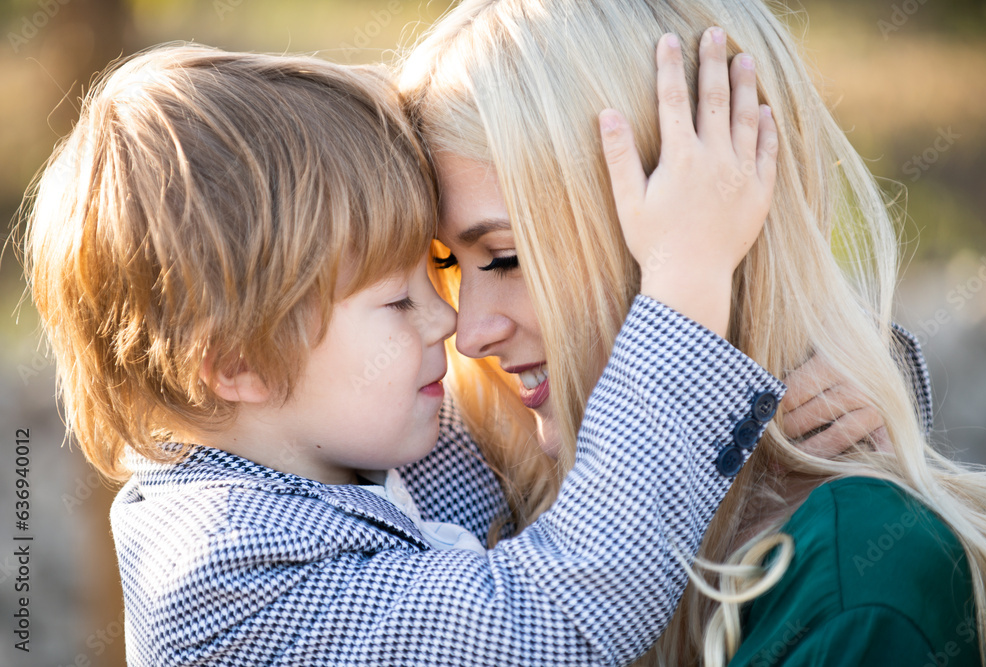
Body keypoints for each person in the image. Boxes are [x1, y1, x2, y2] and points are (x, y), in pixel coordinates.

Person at [22, 43, 788, 665]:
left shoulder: (347, 443)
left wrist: (796, 402)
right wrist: (686, 277)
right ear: (235, 364)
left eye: (440, 273)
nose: (449, 323)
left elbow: (606, 479)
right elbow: (563, 616)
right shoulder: (226, 579)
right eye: (396, 301)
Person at [397, 0, 986, 665]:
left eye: (508, 257)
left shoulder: (861, 576)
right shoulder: (465, 499)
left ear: (705, 224)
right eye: (449, 263)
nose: (469, 332)